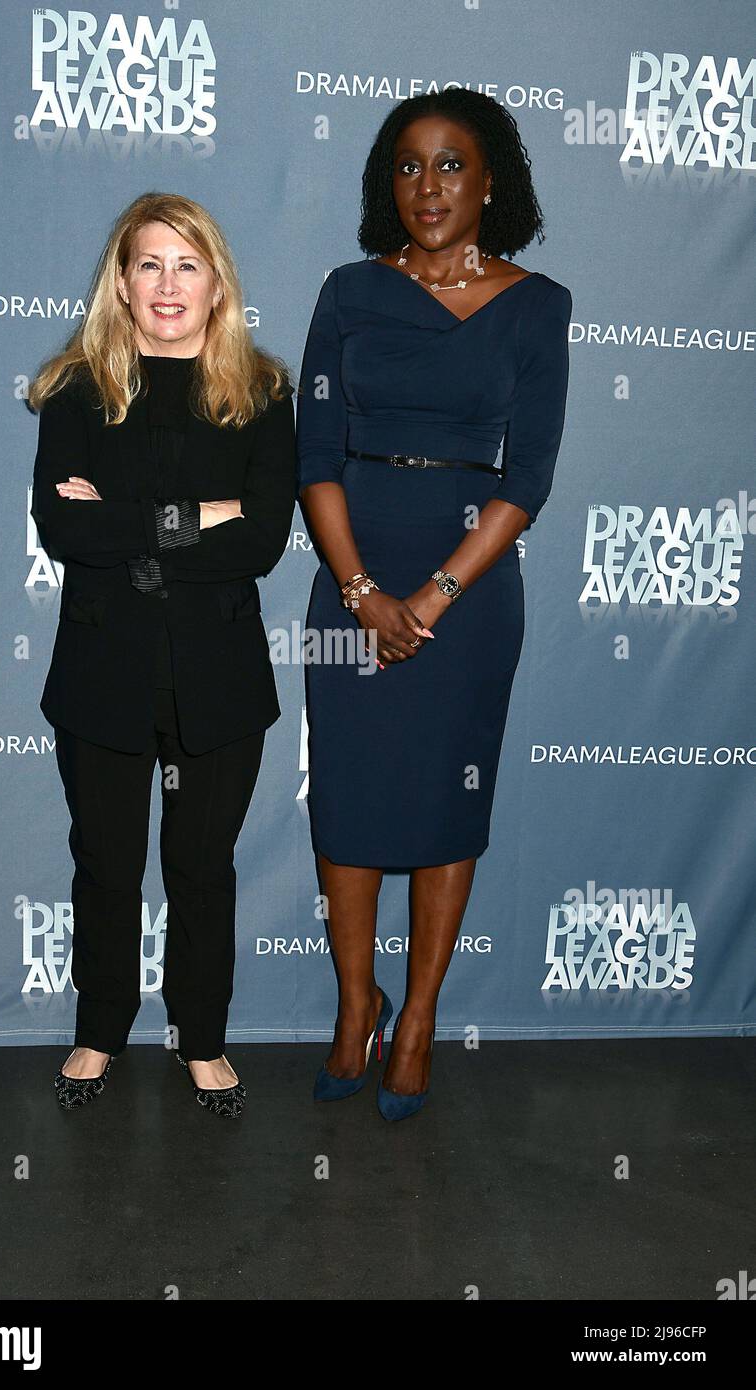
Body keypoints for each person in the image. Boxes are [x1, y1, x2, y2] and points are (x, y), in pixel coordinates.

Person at [296, 90, 572, 1121]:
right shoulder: (348, 292)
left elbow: (528, 475)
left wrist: (435, 595)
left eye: (451, 164)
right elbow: (314, 455)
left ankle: (415, 1021)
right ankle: (353, 1006)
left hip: (469, 583)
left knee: (446, 803)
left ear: (490, 182)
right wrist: (363, 592)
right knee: (349, 801)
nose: (428, 185)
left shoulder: (535, 304)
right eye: (408, 165)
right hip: (351, 569)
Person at [29, 192, 296, 1117]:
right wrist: (199, 516)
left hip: (218, 678)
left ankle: (203, 1041)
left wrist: (126, 521)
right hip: (101, 672)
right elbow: (65, 528)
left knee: (203, 869)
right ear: (122, 281)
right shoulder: (76, 389)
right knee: (105, 865)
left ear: (217, 284)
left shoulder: (262, 393)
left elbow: (261, 540)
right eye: (149, 264)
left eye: (188, 264)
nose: (168, 284)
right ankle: (100, 1030)